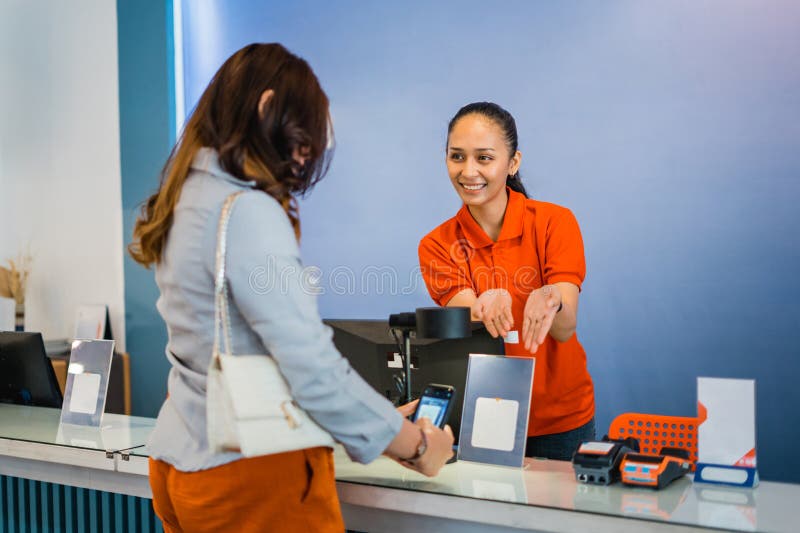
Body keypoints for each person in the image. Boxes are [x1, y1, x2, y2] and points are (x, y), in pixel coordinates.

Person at [129, 43, 453, 533]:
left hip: (181, 465)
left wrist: (374, 417)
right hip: (252, 476)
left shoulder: (184, 198)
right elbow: (311, 368)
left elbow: (237, 352)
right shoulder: (247, 211)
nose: (302, 161)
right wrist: (418, 445)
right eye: (303, 141)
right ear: (266, 108)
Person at [418, 102, 595, 461]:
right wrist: (481, 307)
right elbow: (469, 316)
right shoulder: (436, 244)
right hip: (488, 416)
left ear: (513, 163)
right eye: (457, 156)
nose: (468, 171)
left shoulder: (555, 222)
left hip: (561, 420)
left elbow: (564, 328)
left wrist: (550, 297)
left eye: (484, 158)